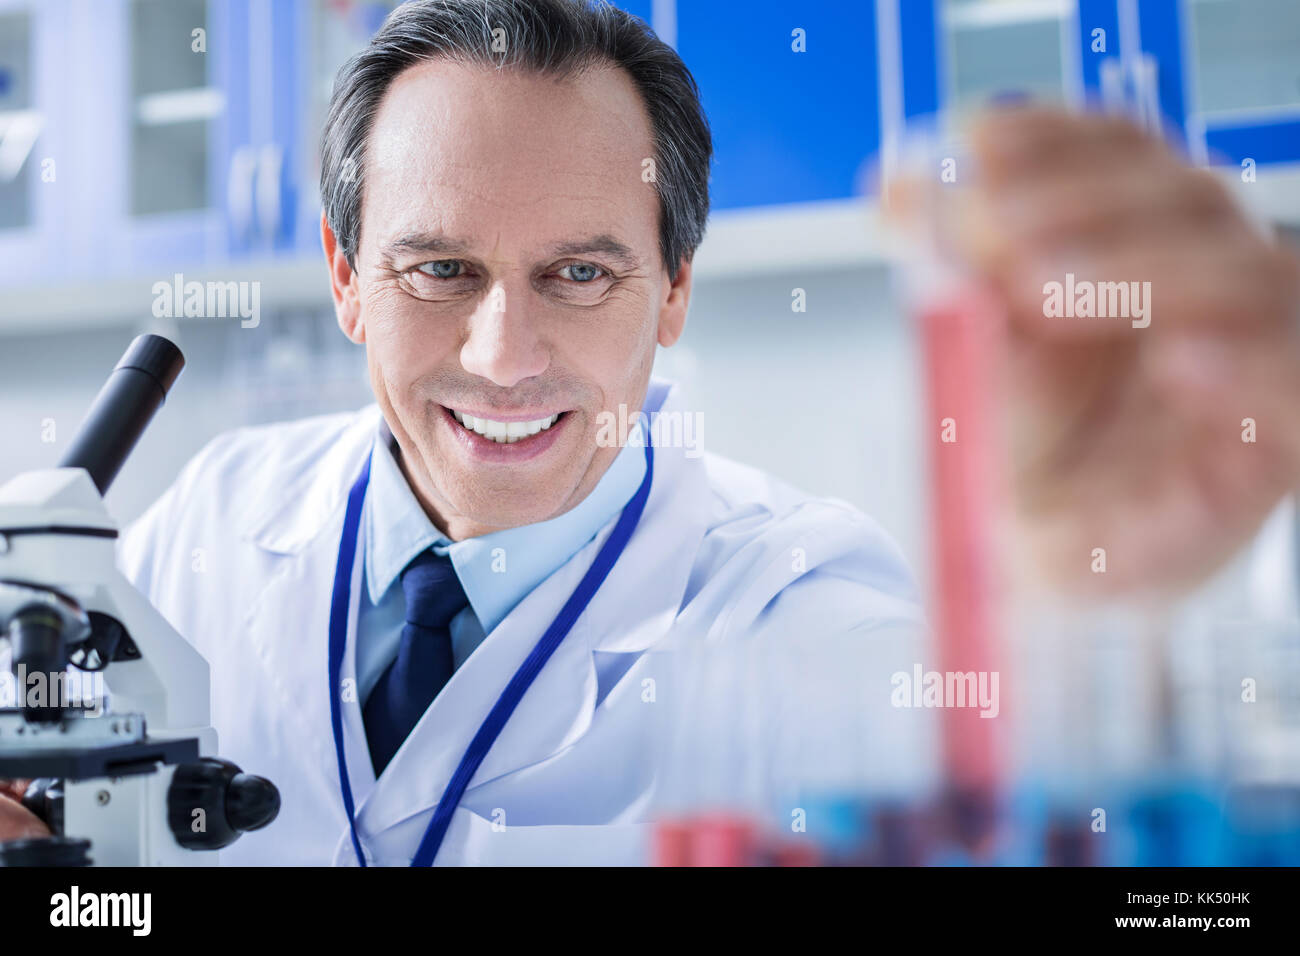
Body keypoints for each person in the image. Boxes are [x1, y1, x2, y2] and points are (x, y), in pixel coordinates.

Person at [3, 0, 1298, 863]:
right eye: (438, 271)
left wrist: (1086, 619)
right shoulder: (210, 522)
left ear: (674, 286)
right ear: (345, 275)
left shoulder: (796, 601)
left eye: (579, 275)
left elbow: (973, 796)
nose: (502, 359)